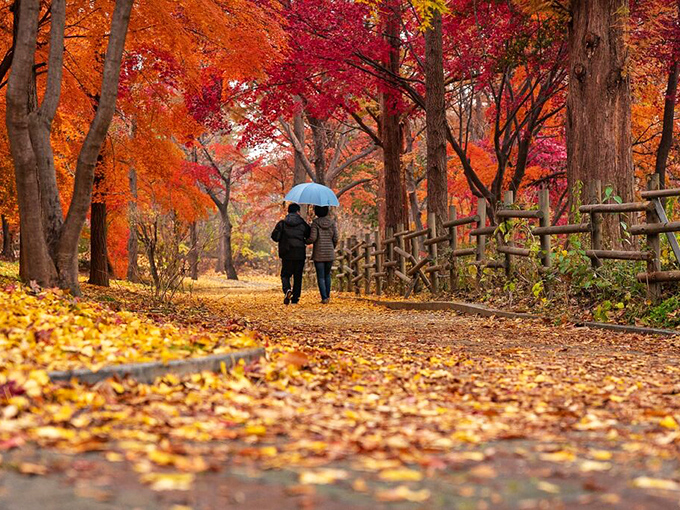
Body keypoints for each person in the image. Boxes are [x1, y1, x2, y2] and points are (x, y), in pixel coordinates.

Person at [271, 203, 311, 305]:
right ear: (298, 212)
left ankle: (287, 289)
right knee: (298, 276)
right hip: (299, 253)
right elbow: (309, 234)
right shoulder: (302, 224)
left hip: (286, 253)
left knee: (285, 275)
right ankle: (295, 298)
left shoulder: (282, 223)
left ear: (288, 212)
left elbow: (275, 237)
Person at [306, 205, 338, 304]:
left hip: (319, 254)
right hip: (329, 253)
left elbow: (313, 238)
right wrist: (332, 247)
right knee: (327, 275)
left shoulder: (315, 223)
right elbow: (336, 238)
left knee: (321, 276)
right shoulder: (332, 223)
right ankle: (327, 296)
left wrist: (305, 241)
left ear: (316, 212)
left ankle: (324, 298)